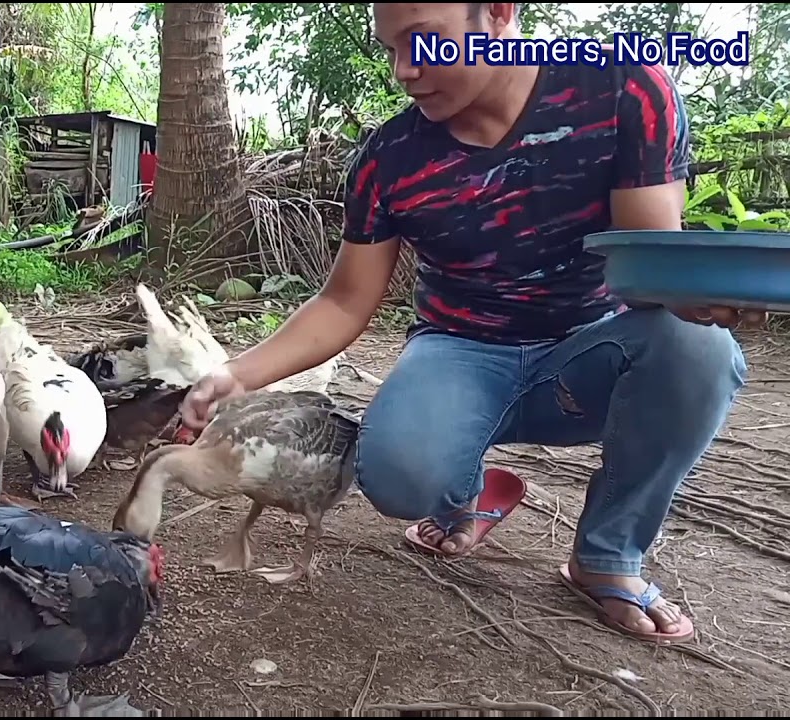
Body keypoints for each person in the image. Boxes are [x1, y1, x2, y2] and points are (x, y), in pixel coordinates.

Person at [179, 2, 760, 644]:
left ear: (500, 12)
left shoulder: (622, 88)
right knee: (401, 474)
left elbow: (652, 265)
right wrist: (235, 375)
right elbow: (344, 302)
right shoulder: (390, 157)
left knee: (698, 348)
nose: (404, 69)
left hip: (593, 353)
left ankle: (607, 555)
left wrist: (702, 292)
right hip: (461, 349)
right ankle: (467, 491)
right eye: (391, 49)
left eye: (423, 42)